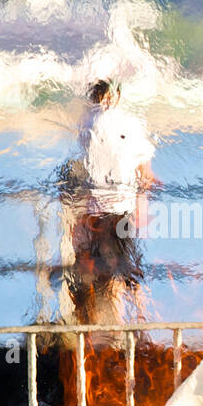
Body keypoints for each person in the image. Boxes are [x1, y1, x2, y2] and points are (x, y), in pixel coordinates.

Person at [63, 78, 157, 326]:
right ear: (113, 97)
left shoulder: (87, 124)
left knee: (103, 272)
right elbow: (145, 173)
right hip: (119, 209)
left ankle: (110, 329)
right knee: (124, 273)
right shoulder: (127, 122)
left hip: (96, 211)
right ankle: (133, 324)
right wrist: (142, 204)